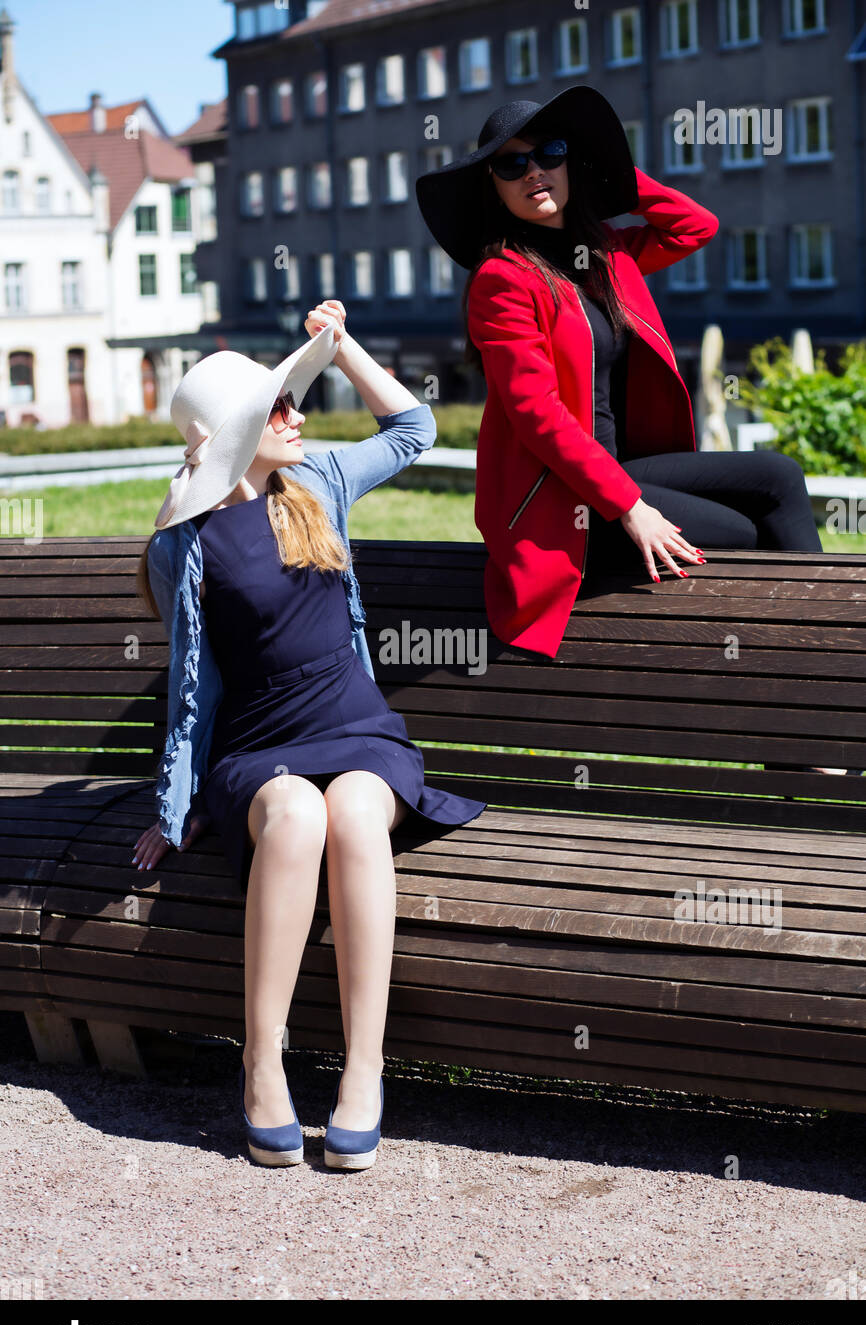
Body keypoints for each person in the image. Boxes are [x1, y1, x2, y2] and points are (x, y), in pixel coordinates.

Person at [132, 304, 487, 1169]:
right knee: (296, 817)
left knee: (358, 815)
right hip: (258, 751)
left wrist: (343, 347)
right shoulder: (182, 544)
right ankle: (262, 1066)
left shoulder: (320, 479)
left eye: (291, 400)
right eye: (278, 408)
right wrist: (173, 806)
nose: (296, 414)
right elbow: (188, 690)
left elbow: (413, 428)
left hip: (360, 729)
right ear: (235, 435)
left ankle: (364, 1075)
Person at [416, 83, 849, 777]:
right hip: (568, 502)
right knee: (744, 533)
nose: (534, 173)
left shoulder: (603, 252)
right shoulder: (503, 280)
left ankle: (831, 698)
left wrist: (611, 170)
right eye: (511, 165)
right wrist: (631, 508)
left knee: (779, 476)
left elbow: (694, 226)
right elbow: (537, 415)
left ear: (569, 163)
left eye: (549, 154)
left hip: (622, 472)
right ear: (492, 187)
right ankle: (810, 729)